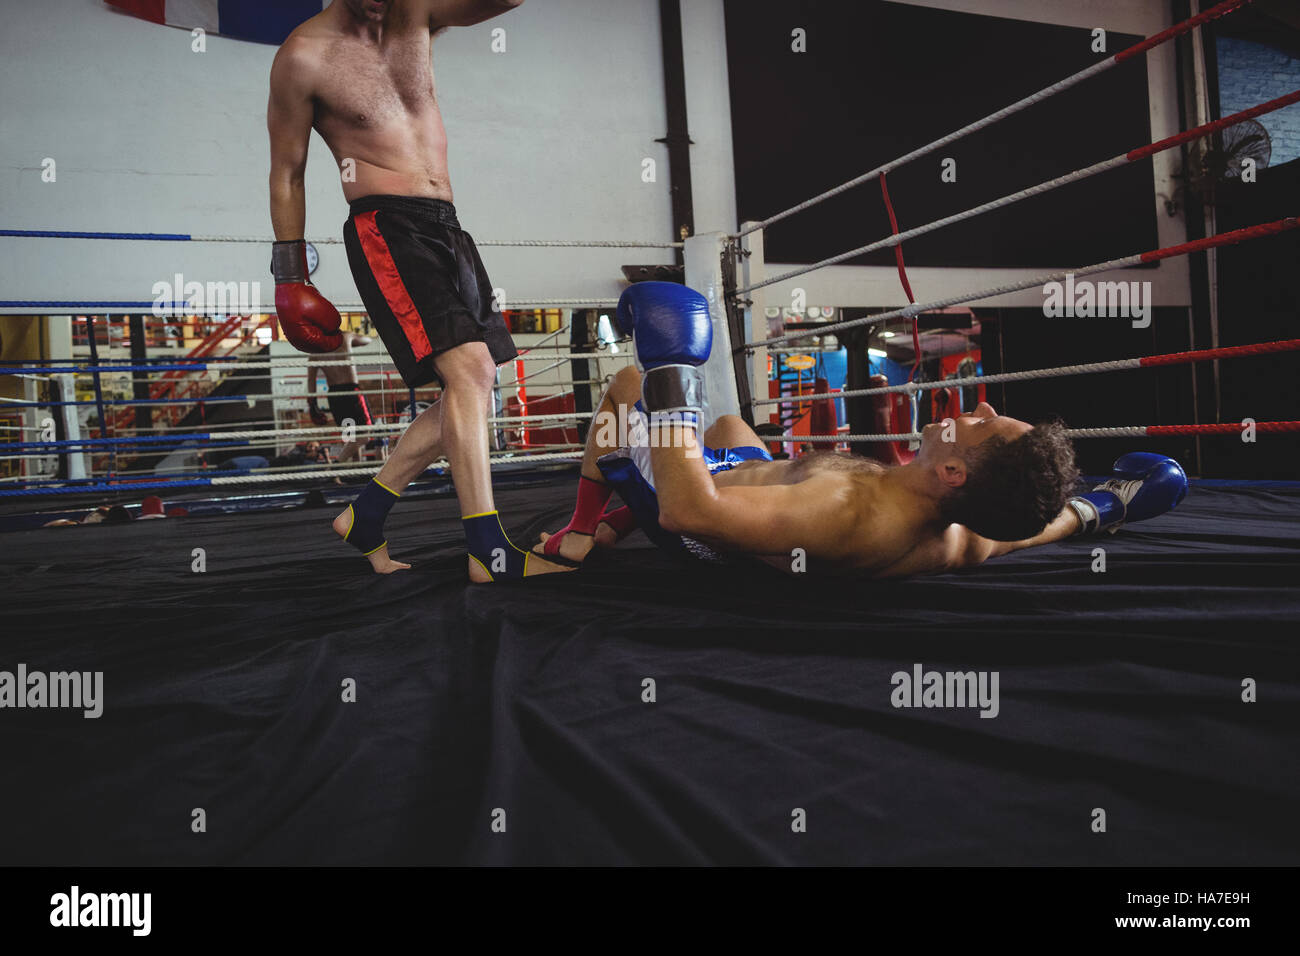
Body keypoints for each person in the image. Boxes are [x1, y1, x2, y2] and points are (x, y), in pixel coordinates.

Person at [537, 282, 1188, 578]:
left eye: (986, 424)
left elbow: (686, 509)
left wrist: (672, 371)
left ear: (954, 471)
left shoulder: (845, 507)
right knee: (733, 421)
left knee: (628, 388)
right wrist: (1110, 503)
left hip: (704, 523)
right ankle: (616, 517)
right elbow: (1047, 524)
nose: (979, 409)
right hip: (747, 479)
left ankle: (580, 531)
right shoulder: (969, 532)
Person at [267, 0, 569, 581]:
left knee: (474, 385)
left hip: (448, 226)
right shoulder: (303, 57)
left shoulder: (414, 13)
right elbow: (288, 170)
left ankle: (367, 515)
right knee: (472, 374)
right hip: (386, 223)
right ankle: (489, 551)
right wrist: (289, 277)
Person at [306, 331, 373, 463]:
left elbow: (311, 381)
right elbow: (367, 340)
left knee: (351, 437)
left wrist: (312, 404)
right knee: (366, 435)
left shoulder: (314, 354)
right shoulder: (345, 337)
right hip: (351, 392)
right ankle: (337, 466)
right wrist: (354, 338)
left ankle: (356, 469)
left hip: (335, 396)